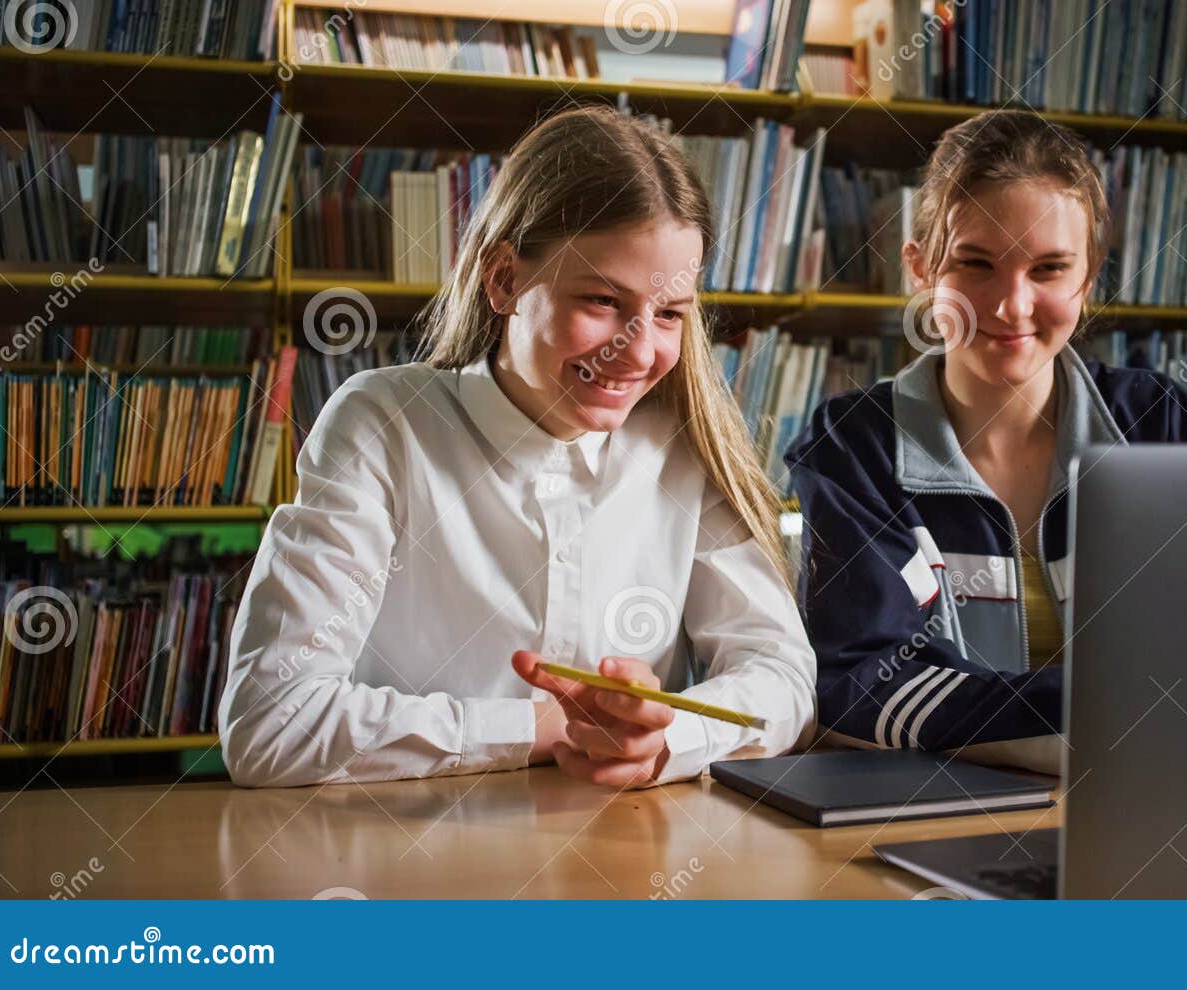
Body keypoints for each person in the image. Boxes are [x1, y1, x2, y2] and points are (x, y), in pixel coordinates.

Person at [220, 105, 815, 788]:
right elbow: (270, 724)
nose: (640, 350)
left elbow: (784, 678)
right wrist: (549, 727)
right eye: (601, 301)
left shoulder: (677, 444)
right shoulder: (385, 423)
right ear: (503, 280)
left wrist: (662, 738)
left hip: (626, 865)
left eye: (670, 314)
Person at [786, 109, 1187, 775]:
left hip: (1158, 800)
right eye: (975, 263)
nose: (1011, 305)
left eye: (1049, 268)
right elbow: (859, 686)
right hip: (927, 816)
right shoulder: (855, 446)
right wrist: (1105, 708)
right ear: (920, 269)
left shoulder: (1163, 427)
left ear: (1089, 277)